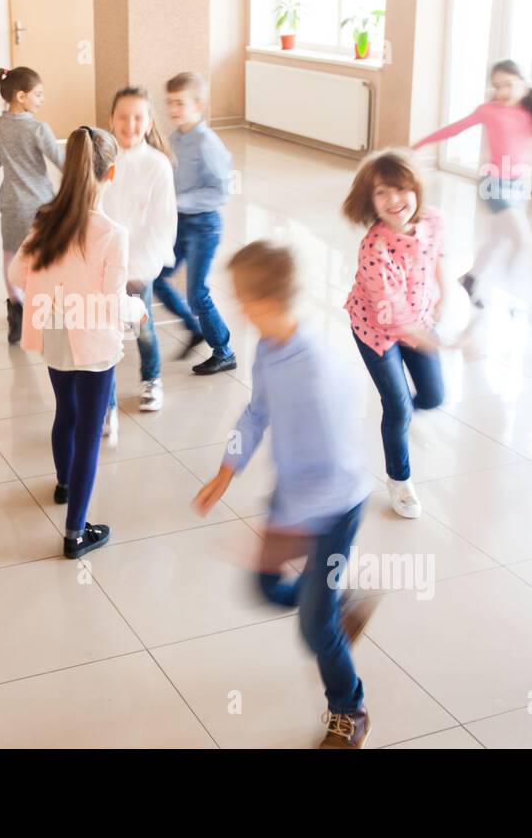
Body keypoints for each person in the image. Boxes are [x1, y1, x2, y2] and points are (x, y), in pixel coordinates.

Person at [193, 240, 374, 749]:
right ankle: (335, 603)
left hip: (337, 507)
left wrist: (277, 534)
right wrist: (226, 471)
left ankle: (349, 707)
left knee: (313, 631)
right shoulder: (270, 349)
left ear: (267, 304)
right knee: (269, 590)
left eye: (241, 298)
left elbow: (333, 470)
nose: (236, 306)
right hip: (295, 497)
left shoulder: (316, 373)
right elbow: (256, 414)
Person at [8, 126, 146, 560]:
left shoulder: (46, 219)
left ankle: (64, 484)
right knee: (89, 433)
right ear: (111, 174)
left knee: (64, 412)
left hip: (53, 328)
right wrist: (137, 311)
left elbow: (16, 275)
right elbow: (111, 302)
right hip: (93, 342)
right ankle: (75, 534)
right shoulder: (111, 233)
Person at [412, 58, 532, 311]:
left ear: (522, 83)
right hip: (494, 183)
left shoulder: (530, 110)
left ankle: (471, 279)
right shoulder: (488, 110)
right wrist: (421, 143)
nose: (502, 91)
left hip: (519, 184)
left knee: (496, 240)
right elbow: (455, 129)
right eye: (497, 86)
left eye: (508, 84)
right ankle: (515, 296)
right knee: (523, 241)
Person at [342, 149, 446, 520]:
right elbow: (391, 311)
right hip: (376, 330)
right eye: (382, 193)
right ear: (370, 202)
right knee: (397, 406)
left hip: (419, 317)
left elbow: (437, 256)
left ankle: (404, 422)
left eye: (400, 189)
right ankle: (399, 480)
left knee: (433, 396)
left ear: (415, 188)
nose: (394, 200)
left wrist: (443, 292)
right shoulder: (375, 247)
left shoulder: (433, 221)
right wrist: (434, 340)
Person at [99, 85, 178, 445]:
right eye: (122, 117)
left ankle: (151, 377)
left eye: (137, 118)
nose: (129, 124)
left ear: (148, 123)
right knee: (103, 336)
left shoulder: (157, 166)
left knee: (141, 327)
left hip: (136, 269)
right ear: (111, 120)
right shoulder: (101, 158)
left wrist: (139, 273)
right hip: (100, 265)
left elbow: (163, 226)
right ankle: (105, 404)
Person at [152, 71, 237, 374]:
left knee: (197, 291)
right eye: (169, 103)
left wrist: (178, 202)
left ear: (198, 106)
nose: (173, 109)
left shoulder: (206, 142)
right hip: (181, 224)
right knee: (156, 278)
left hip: (204, 226)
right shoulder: (175, 138)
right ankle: (194, 328)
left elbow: (221, 190)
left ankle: (224, 351)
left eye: (179, 103)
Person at [0, 66, 64, 344]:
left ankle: (16, 309)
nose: (41, 100)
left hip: (12, 204)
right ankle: (48, 309)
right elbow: (61, 161)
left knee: (11, 257)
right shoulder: (38, 128)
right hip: (41, 206)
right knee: (45, 259)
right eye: (37, 94)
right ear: (20, 96)